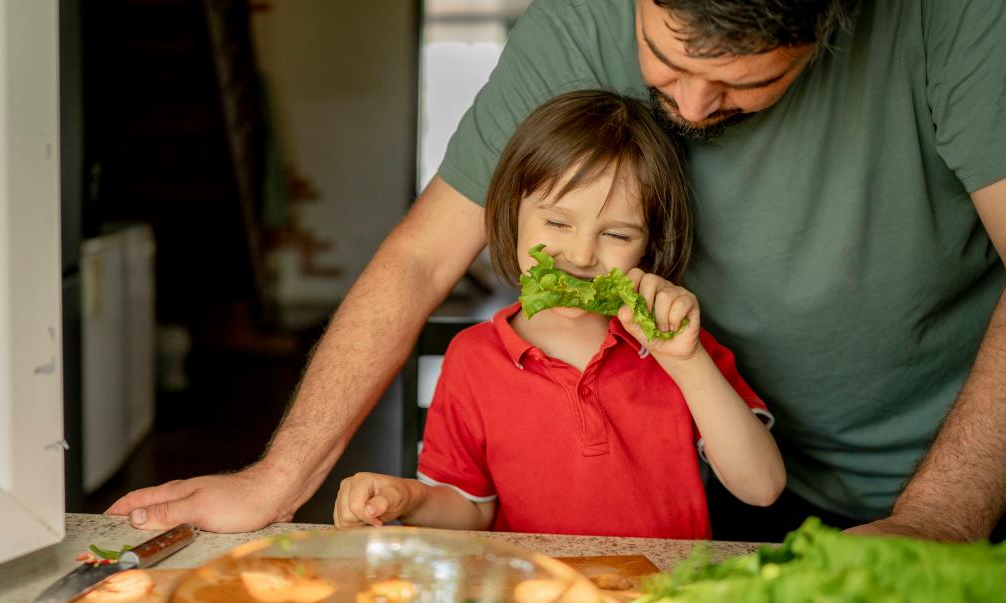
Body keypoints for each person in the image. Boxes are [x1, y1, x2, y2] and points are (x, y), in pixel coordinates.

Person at [107, 0, 1006, 542]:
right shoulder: (577, 22)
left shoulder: (959, 24)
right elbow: (421, 259)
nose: (690, 111)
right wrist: (279, 479)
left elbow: (745, 472)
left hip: (951, 482)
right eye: (669, 59)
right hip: (751, 517)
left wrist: (944, 516)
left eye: (744, 85)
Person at [331, 91, 784, 536]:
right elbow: (471, 510)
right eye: (558, 223)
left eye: (618, 235)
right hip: (532, 597)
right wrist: (407, 499)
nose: (582, 254)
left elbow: (762, 489)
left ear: (652, 242)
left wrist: (686, 363)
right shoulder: (472, 358)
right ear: (512, 215)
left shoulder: (678, 342)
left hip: (664, 599)